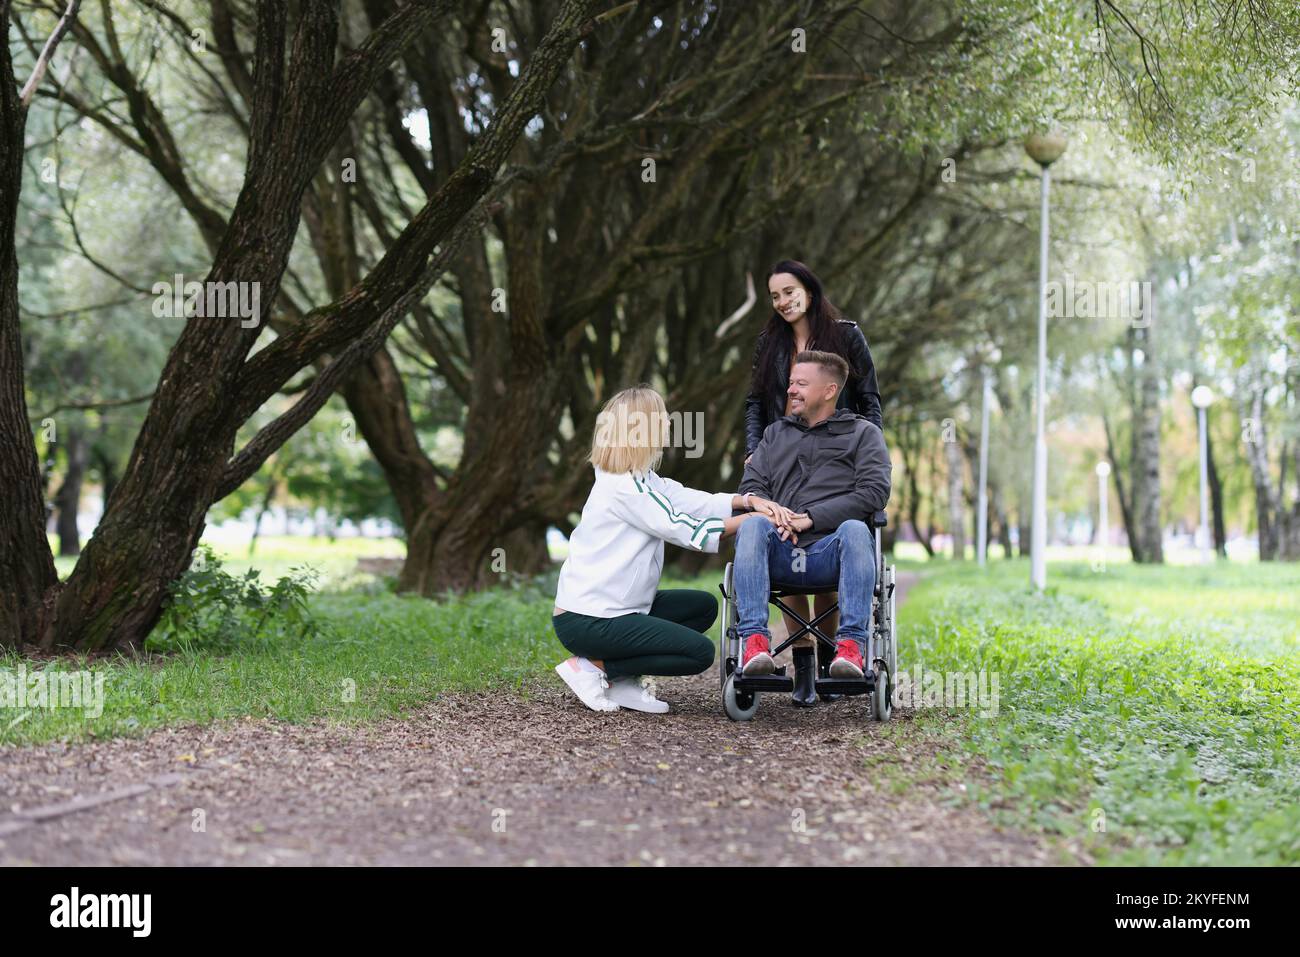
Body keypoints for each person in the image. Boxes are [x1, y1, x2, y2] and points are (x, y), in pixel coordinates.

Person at [552, 386, 794, 714]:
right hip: (591, 619)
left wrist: (747, 501)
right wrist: (752, 520)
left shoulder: (639, 478)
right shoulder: (626, 487)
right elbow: (685, 529)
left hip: (616, 609)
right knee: (698, 653)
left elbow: (688, 499)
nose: (668, 423)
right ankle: (594, 667)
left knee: (703, 607)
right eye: (662, 418)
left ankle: (621, 682)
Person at [744, 260, 883, 705]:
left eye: (789, 291)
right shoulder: (770, 344)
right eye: (774, 295)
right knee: (756, 523)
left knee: (850, 530)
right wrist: (766, 496)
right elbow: (755, 403)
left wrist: (866, 444)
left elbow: (870, 398)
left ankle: (841, 653)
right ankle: (781, 655)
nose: (782, 301)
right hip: (784, 450)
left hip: (837, 453)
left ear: (809, 289)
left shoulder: (845, 336)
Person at [734, 350, 891, 685]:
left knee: (854, 529)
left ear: (829, 390)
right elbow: (751, 486)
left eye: (801, 383)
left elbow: (874, 493)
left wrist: (811, 518)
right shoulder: (776, 434)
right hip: (779, 549)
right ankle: (754, 644)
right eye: (790, 382)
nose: (790, 390)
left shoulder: (863, 434)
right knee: (752, 524)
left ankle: (850, 647)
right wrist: (775, 515)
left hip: (831, 553)